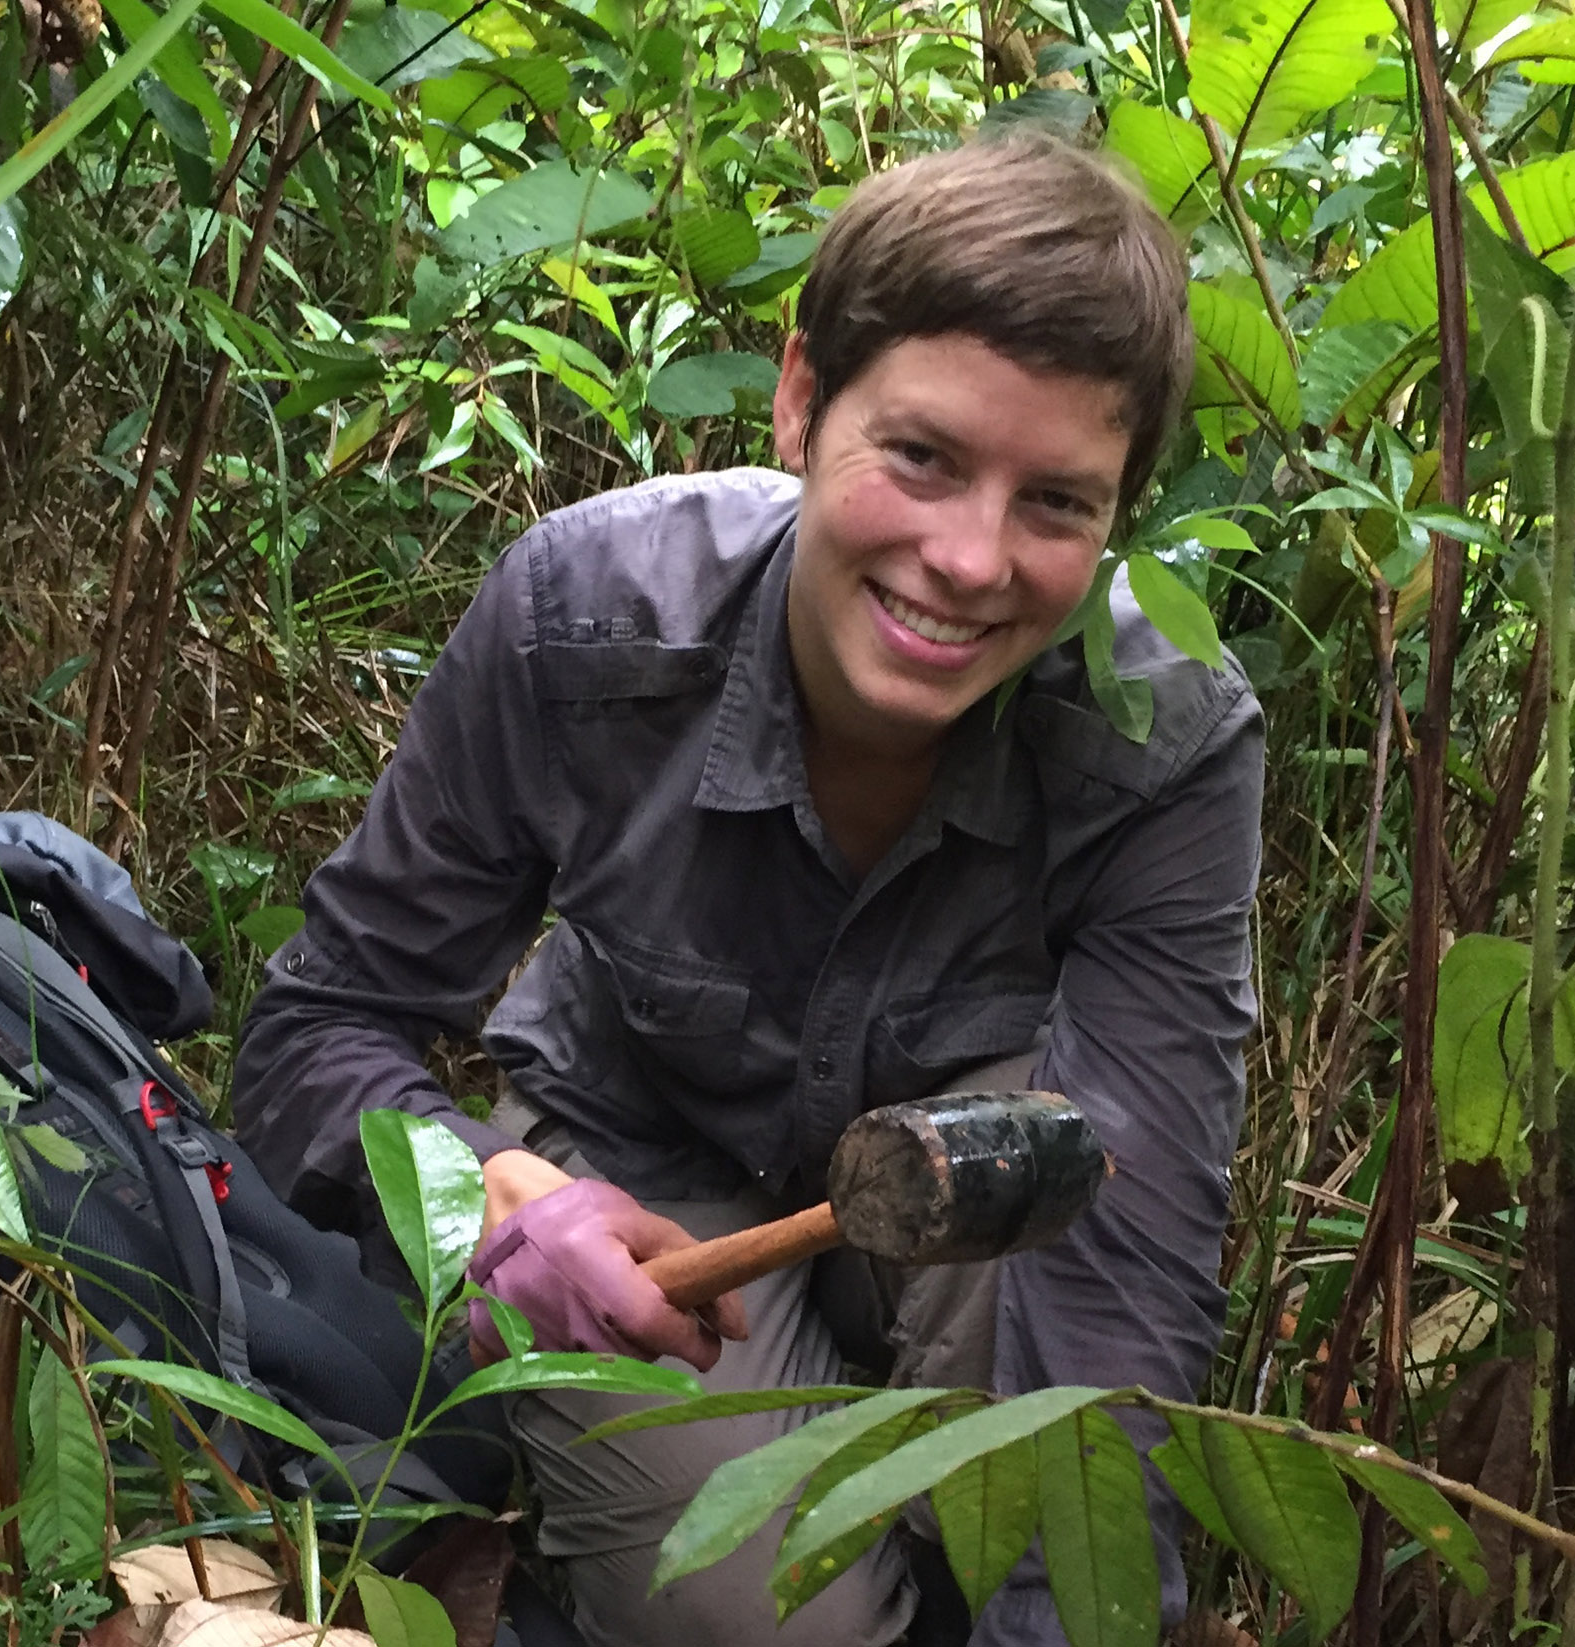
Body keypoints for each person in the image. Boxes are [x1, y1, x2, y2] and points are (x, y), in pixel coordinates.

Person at [231, 130, 1263, 1647]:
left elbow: (1134, 1244)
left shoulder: (1164, 739)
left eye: (1056, 503)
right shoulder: (585, 621)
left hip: (983, 1227)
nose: (970, 560)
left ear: (1120, 513)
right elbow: (322, 1029)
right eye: (919, 458)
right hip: (659, 1184)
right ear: (799, 400)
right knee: (742, 1618)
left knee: (1058, 1384)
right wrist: (491, 1203)